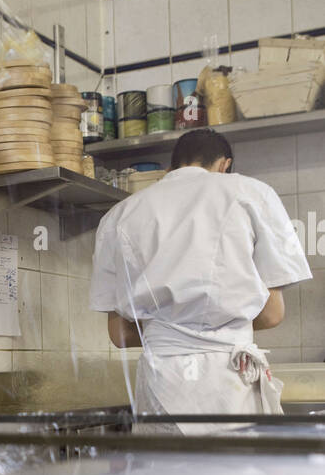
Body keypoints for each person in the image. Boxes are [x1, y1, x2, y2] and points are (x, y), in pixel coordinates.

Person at [89, 127, 311, 432]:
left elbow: (120, 334)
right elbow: (272, 314)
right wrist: (212, 326)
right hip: (228, 384)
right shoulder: (251, 193)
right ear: (224, 166)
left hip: (159, 388)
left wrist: (173, 326)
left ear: (170, 169)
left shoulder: (118, 215)